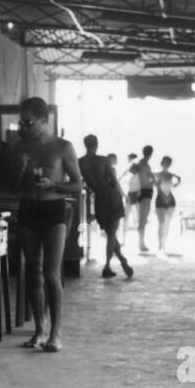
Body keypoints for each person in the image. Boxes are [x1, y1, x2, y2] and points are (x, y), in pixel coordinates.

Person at [14, 98, 82, 352]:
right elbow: (12, 186)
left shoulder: (63, 148)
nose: (24, 127)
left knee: (52, 274)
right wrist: (20, 172)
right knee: (32, 271)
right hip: (28, 208)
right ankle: (39, 329)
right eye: (21, 122)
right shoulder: (20, 147)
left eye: (28, 122)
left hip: (53, 210)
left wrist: (53, 186)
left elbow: (78, 185)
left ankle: (56, 333)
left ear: (44, 121)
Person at [78, 136, 134, 280]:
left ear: (85, 145)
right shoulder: (104, 160)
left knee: (110, 233)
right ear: (96, 145)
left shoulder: (81, 162)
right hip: (112, 197)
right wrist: (124, 195)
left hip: (100, 200)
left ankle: (121, 260)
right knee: (111, 234)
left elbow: (82, 182)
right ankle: (108, 266)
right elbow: (114, 182)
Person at [152, 156, 181, 254]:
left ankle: (163, 242)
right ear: (162, 163)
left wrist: (179, 181)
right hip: (161, 200)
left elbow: (174, 186)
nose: (167, 164)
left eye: (168, 163)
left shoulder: (171, 175)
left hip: (170, 200)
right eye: (165, 162)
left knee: (167, 223)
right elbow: (156, 186)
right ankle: (160, 243)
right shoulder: (158, 174)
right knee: (161, 223)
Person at [133, 145, 156, 253]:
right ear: (151, 154)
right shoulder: (143, 165)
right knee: (143, 219)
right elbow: (145, 181)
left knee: (143, 219)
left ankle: (141, 243)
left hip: (145, 192)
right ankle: (141, 243)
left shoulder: (143, 164)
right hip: (145, 192)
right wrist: (154, 182)